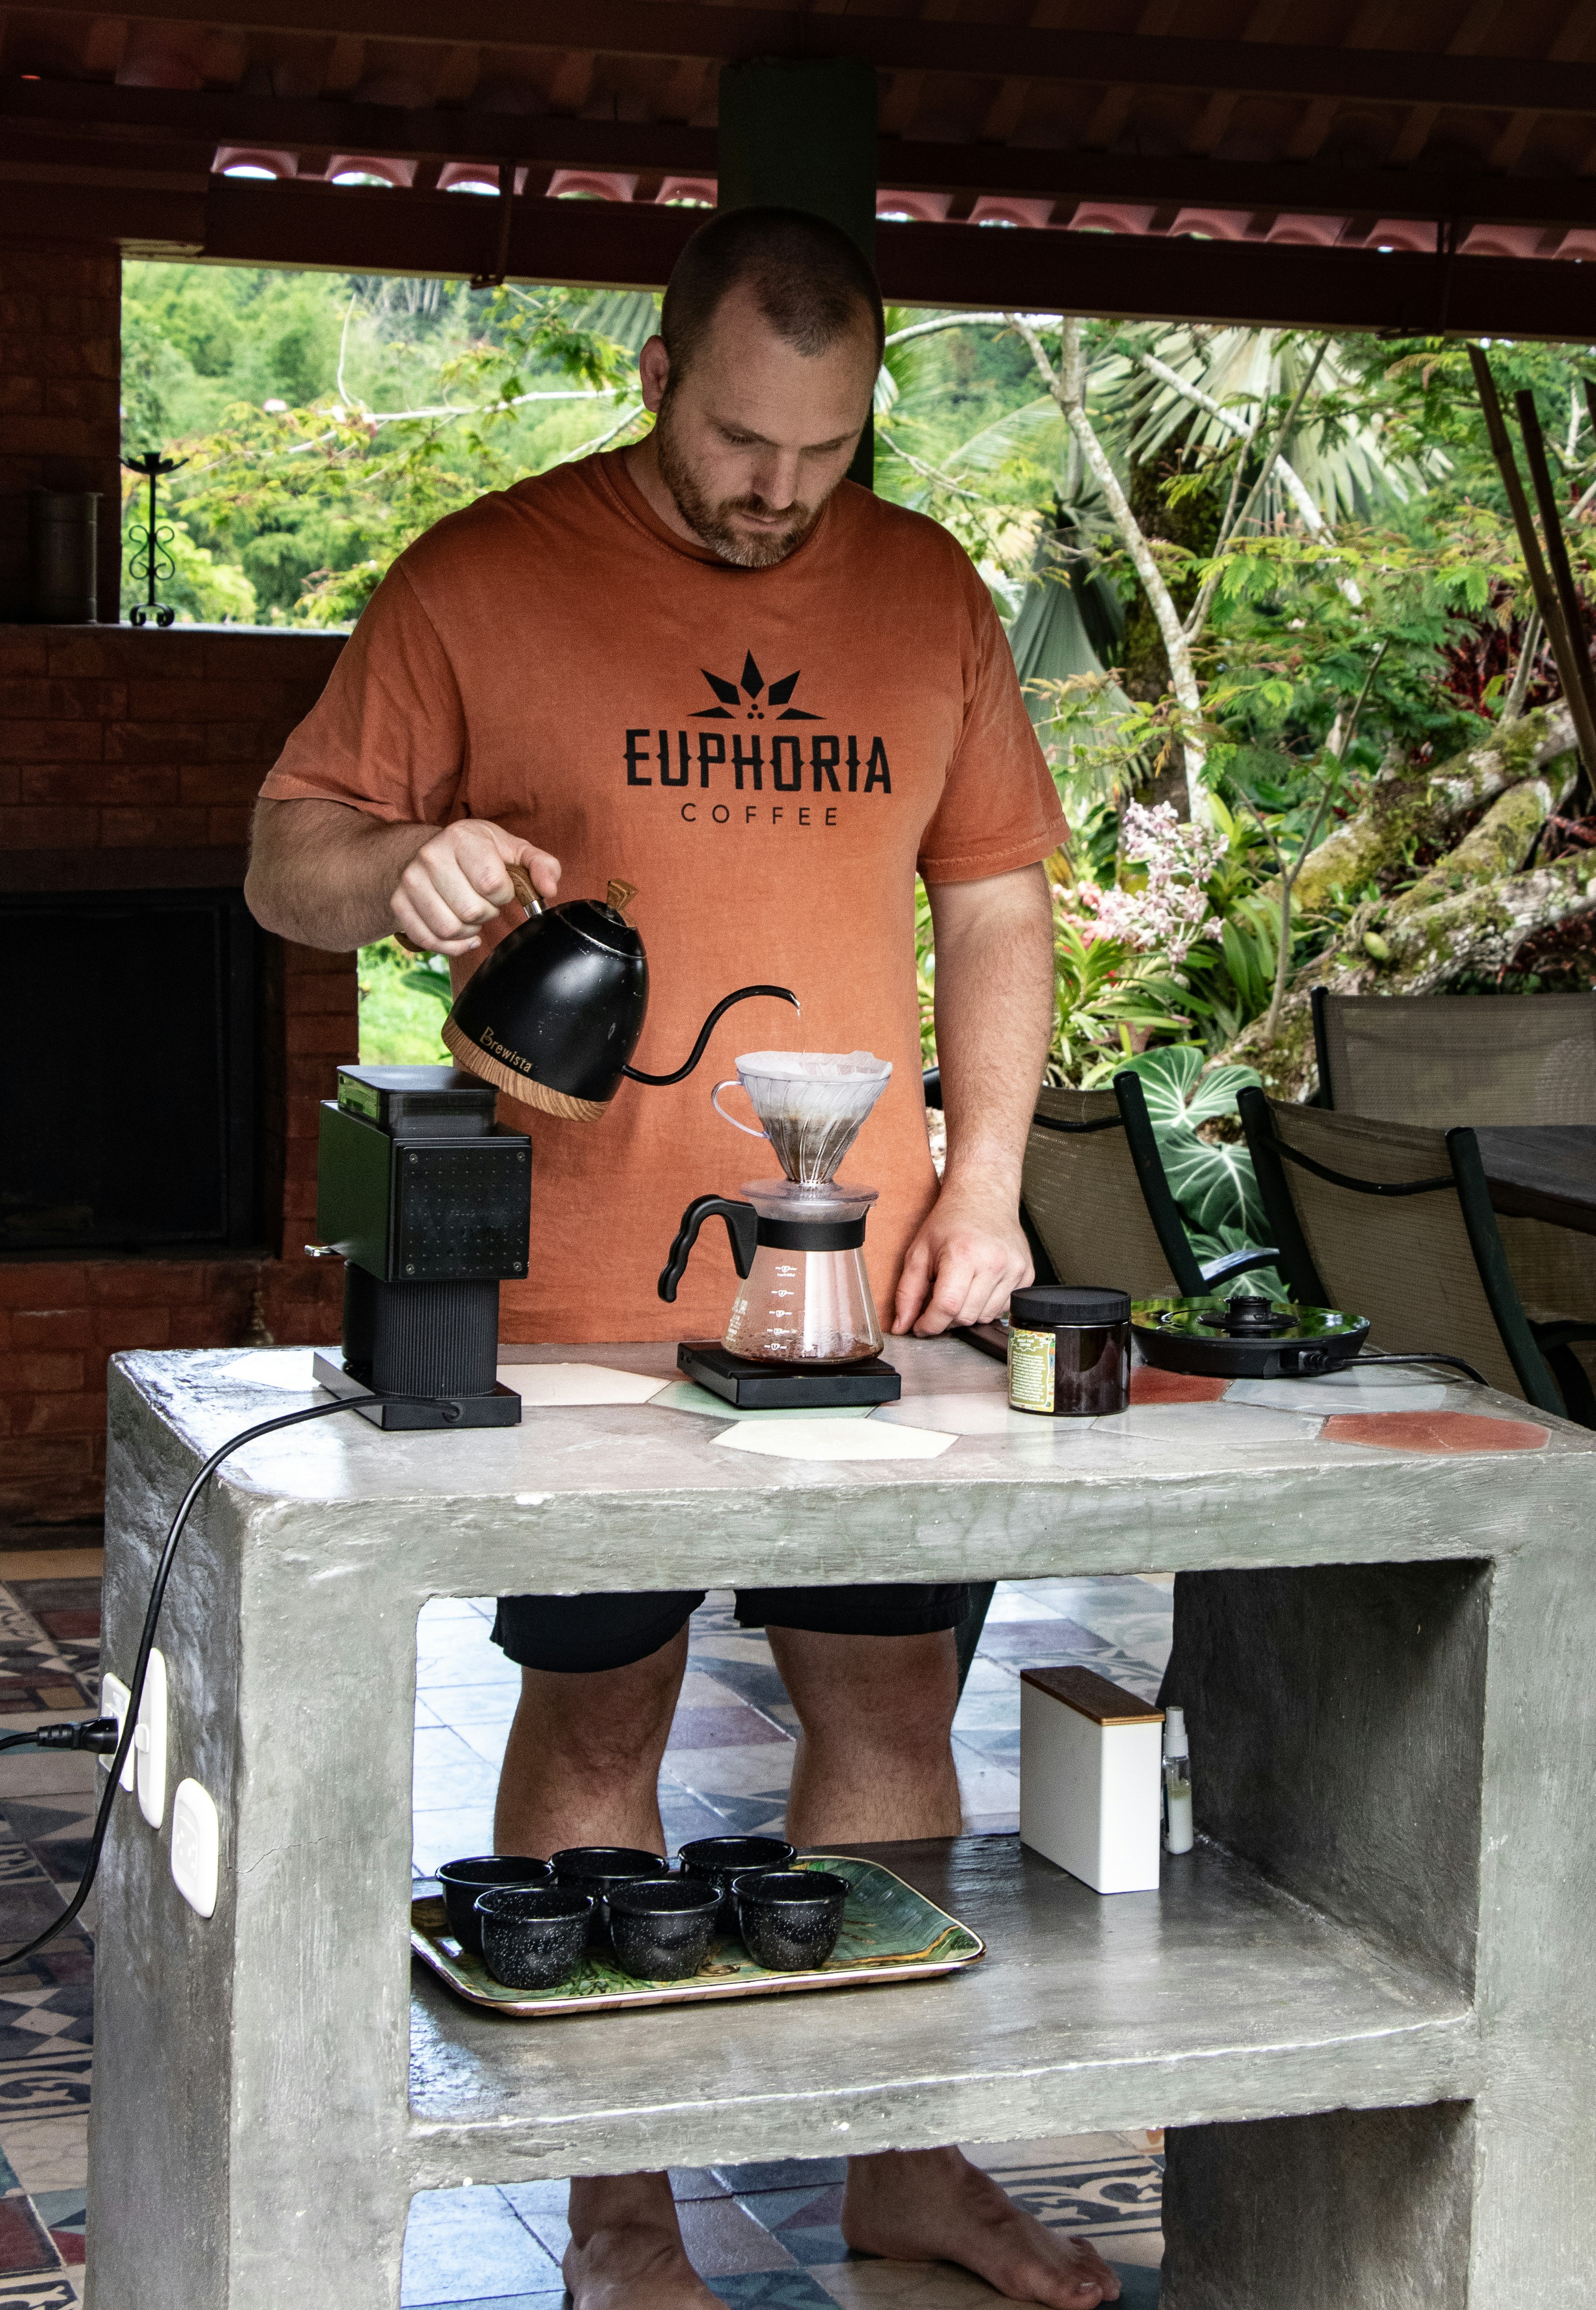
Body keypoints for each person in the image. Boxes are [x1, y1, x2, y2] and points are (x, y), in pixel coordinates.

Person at [246, 207, 1119, 2310]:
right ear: (658, 374)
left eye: (820, 453)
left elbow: (994, 898)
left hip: (862, 1286)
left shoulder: (925, 596)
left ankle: (898, 2166)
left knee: (895, 1719)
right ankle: (617, 2221)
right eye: (739, 442)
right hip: (581, 1317)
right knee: (595, 1729)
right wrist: (399, 863)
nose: (775, 494)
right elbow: (288, 862)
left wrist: (983, 1189)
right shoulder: (481, 573)